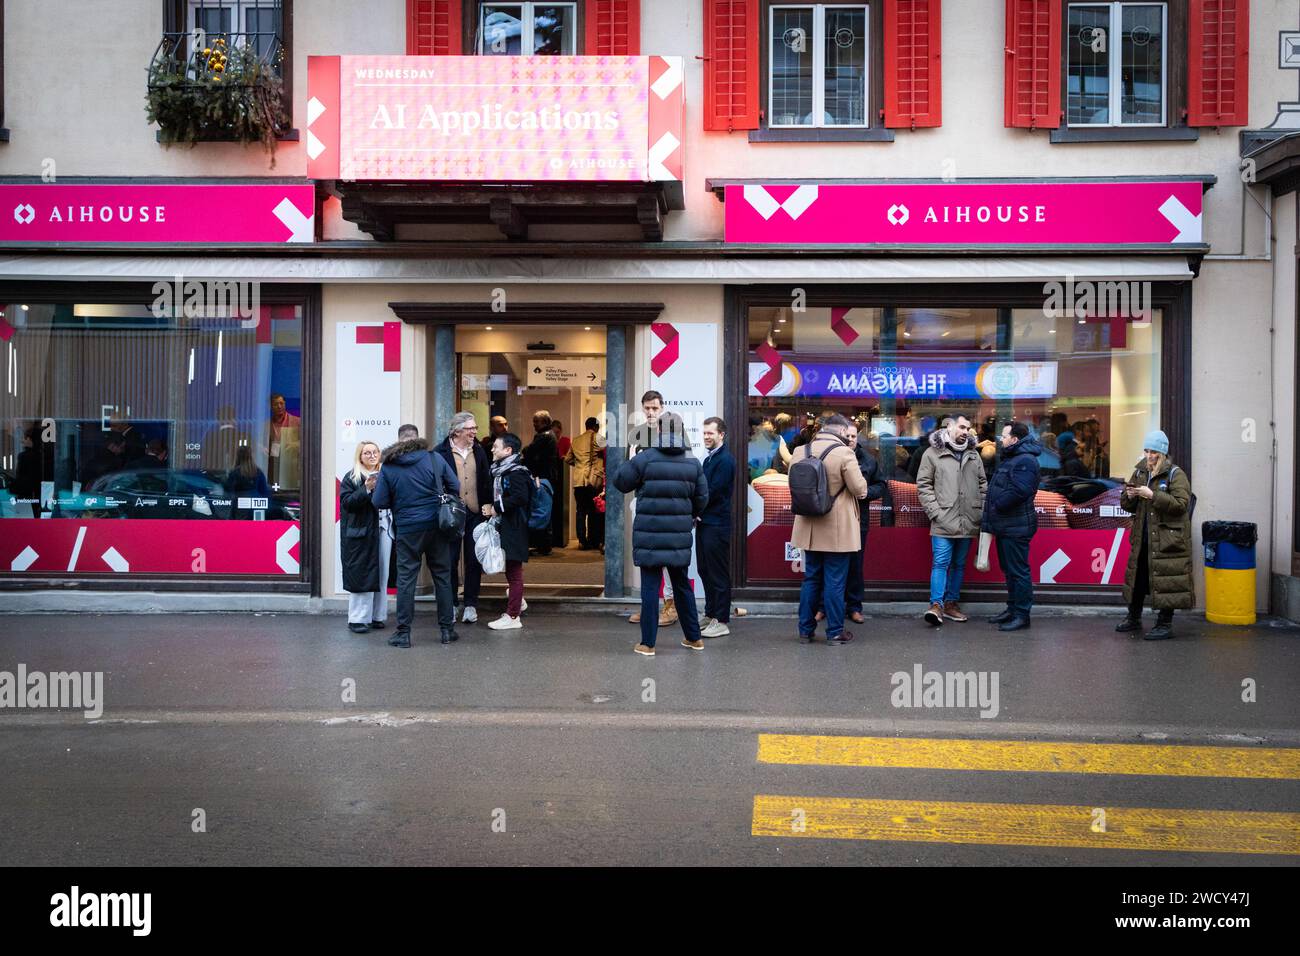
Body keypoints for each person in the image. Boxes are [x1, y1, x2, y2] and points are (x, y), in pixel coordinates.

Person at [614, 412, 709, 657]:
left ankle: (648, 644)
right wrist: (688, 517)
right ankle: (694, 638)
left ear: (659, 431)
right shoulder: (692, 462)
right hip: (678, 536)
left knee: (649, 587)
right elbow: (702, 499)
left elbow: (620, 483)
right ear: (681, 432)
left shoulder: (645, 458)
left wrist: (630, 459)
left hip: (650, 536)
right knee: (682, 586)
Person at [372, 423, 461, 648]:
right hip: (437, 526)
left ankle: (403, 634)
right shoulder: (434, 459)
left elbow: (379, 501)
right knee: (442, 576)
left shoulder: (390, 466)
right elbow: (455, 485)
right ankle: (447, 630)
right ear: (417, 438)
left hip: (408, 528)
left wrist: (400, 502)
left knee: (406, 579)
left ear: (400, 440)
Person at [792, 414, 869, 645]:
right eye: (847, 434)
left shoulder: (800, 451)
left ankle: (805, 630)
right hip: (837, 527)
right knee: (835, 580)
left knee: (811, 578)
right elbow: (859, 488)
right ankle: (835, 631)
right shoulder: (844, 453)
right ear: (841, 431)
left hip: (808, 525)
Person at [1116, 430, 1193, 640]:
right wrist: (1129, 496)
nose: (1149, 456)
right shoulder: (1140, 472)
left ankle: (1164, 624)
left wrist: (1153, 495)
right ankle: (1134, 617)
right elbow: (1127, 505)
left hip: (1167, 539)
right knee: (1138, 578)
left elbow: (1181, 505)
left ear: (1163, 454)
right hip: (1143, 536)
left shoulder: (1175, 474)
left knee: (1167, 581)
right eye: (1147, 451)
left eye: (1154, 453)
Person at [917, 414, 986, 627]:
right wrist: (936, 513)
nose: (966, 431)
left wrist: (980, 510)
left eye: (968, 428)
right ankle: (936, 605)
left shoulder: (974, 454)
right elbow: (924, 485)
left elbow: (983, 484)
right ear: (950, 426)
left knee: (958, 564)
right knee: (940, 563)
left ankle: (951, 604)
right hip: (943, 520)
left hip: (969, 519)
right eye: (962, 427)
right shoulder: (932, 453)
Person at [983, 421, 1042, 632]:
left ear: (1015, 440)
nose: (1001, 439)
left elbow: (1020, 490)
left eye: (1005, 436)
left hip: (1015, 525)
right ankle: (1013, 608)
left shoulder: (1025, 460)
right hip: (1007, 525)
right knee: (1009, 571)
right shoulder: (1015, 458)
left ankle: (1022, 614)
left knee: (1018, 571)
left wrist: (997, 504)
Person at [436, 411, 492, 625]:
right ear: (457, 430)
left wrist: (488, 505)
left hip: (475, 512)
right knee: (449, 560)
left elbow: (486, 479)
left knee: (473, 559)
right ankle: (450, 603)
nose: (475, 432)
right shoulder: (440, 452)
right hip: (451, 514)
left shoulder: (479, 450)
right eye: (471, 428)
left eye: (475, 428)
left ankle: (470, 604)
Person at [628, 390, 678, 627]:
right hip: (642, 501)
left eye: (655, 408)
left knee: (667, 556)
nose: (650, 412)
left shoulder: (673, 433)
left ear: (662, 407)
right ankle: (649, 606)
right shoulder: (637, 435)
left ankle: (671, 604)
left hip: (666, 505)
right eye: (647, 408)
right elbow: (630, 470)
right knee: (645, 553)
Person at [339, 441, 392, 634]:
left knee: (382, 574)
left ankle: (377, 616)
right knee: (362, 574)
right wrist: (366, 489)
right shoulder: (352, 477)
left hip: (384, 531)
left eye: (375, 452)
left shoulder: (386, 475)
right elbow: (347, 504)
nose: (371, 455)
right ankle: (358, 619)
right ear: (360, 456)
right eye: (367, 453)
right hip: (361, 533)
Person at [482, 432, 533, 630]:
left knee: (513, 571)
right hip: (508, 524)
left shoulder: (516, 472)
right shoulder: (501, 470)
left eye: (496, 446)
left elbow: (520, 497)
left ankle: (513, 616)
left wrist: (496, 507)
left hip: (515, 526)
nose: (492, 449)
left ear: (508, 450)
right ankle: (517, 601)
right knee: (509, 568)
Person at [841, 419, 887, 624]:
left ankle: (854, 607)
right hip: (833, 519)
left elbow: (881, 485)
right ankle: (824, 606)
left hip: (859, 519)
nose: (850, 439)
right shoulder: (832, 456)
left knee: (855, 566)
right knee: (831, 565)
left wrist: (866, 493)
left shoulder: (868, 459)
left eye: (853, 436)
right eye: (847, 436)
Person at [697, 416, 735, 638]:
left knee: (718, 574)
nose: (706, 437)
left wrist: (696, 510)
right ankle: (711, 613)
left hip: (717, 525)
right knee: (705, 570)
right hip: (705, 523)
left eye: (710, 433)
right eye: (704, 433)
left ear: (721, 434)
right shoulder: (709, 459)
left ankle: (721, 620)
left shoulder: (725, 460)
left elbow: (712, 492)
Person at [522, 410, 559, 556]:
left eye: (536, 422)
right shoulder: (550, 435)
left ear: (544, 422)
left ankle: (544, 544)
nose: (534, 425)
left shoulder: (544, 436)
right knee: (545, 509)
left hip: (543, 477)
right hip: (547, 477)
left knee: (541, 510)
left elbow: (529, 450)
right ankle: (544, 544)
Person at [567, 416, 606, 551]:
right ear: (596, 427)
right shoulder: (598, 438)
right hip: (593, 481)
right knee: (595, 511)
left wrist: (579, 465)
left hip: (578, 481)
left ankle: (582, 541)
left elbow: (567, 459)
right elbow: (608, 453)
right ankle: (593, 540)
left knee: (581, 511)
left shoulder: (576, 440)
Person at [266, 393, 301, 491]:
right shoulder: (266, 425)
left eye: (281, 403)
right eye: (276, 404)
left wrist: (294, 445)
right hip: (272, 468)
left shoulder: (297, 422)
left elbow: (305, 443)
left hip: (291, 467)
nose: (279, 406)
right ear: (271, 406)